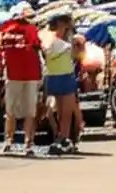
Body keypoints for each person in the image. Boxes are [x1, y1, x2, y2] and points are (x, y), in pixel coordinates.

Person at [0, 3, 44, 155]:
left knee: (25, 110)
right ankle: (12, 142)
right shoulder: (8, 27)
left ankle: (24, 143)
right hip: (17, 74)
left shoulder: (30, 29)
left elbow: (37, 46)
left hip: (26, 74)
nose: (31, 18)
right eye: (28, 15)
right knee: (15, 110)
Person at [42, 14, 79, 155]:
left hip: (67, 75)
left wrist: (75, 47)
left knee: (67, 110)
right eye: (64, 22)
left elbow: (77, 55)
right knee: (57, 110)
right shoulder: (49, 37)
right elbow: (48, 50)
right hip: (53, 75)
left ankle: (64, 137)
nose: (67, 25)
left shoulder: (70, 39)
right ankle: (60, 136)